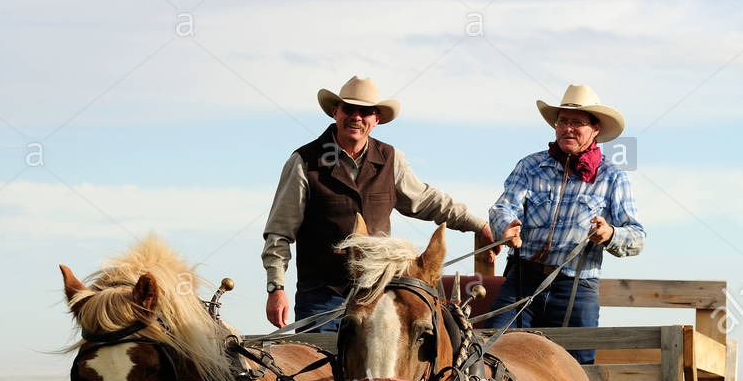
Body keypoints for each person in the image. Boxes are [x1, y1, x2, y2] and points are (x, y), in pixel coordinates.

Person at [262, 76, 493, 330]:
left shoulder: (390, 159)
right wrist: (276, 288)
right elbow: (279, 234)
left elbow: (429, 201)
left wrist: (479, 225)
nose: (357, 117)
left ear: (376, 119)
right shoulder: (305, 161)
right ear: (335, 112)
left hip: (378, 294)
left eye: (365, 112)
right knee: (319, 367)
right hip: (322, 297)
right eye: (349, 109)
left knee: (383, 369)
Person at [485, 84, 644, 364]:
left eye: (577, 123)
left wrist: (609, 234)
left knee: (579, 370)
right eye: (562, 121)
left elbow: (636, 237)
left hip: (576, 288)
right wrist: (506, 226)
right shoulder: (530, 166)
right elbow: (503, 206)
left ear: (595, 129)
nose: (567, 128)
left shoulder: (612, 178)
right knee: (491, 353)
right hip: (523, 280)